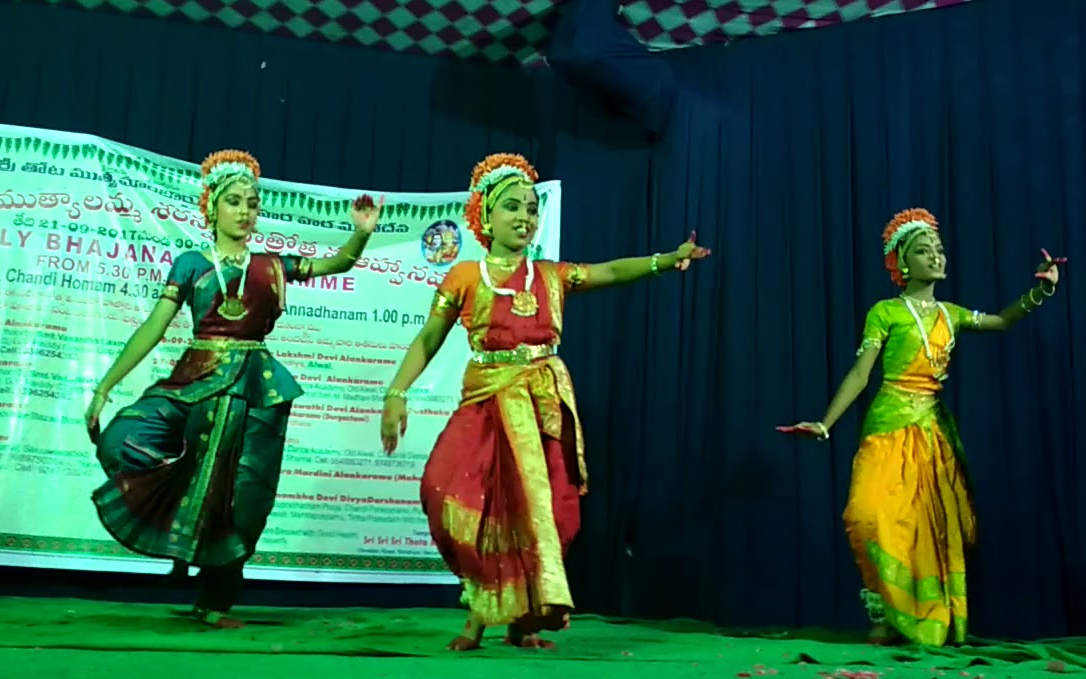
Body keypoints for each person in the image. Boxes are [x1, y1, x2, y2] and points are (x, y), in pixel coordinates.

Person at [379, 152, 710, 650]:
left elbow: (613, 272)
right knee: (452, 495)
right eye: (512, 207)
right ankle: (480, 606)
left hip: (541, 408)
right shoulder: (466, 276)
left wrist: (665, 259)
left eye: (532, 209)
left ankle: (517, 621)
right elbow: (429, 338)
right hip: (486, 401)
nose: (524, 217)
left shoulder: (551, 276)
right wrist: (396, 392)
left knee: (547, 512)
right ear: (486, 217)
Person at [85, 149, 383, 629]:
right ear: (212, 208)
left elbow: (337, 265)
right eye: (235, 202)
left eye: (252, 202)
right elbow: (154, 327)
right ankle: (174, 539)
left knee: (244, 495)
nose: (245, 211)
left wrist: (361, 233)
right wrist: (106, 385)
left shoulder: (271, 265)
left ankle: (216, 600)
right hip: (196, 379)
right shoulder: (189, 264)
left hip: (256, 387)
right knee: (123, 438)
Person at [778, 208, 1066, 647]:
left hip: (930, 435)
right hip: (887, 425)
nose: (934, 255)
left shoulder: (951, 314)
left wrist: (1040, 291)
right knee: (866, 516)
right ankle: (882, 604)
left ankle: (902, 622)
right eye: (922, 250)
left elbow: (1003, 322)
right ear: (901, 263)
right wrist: (825, 422)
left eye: (939, 249)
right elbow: (860, 374)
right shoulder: (885, 313)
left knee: (921, 530)